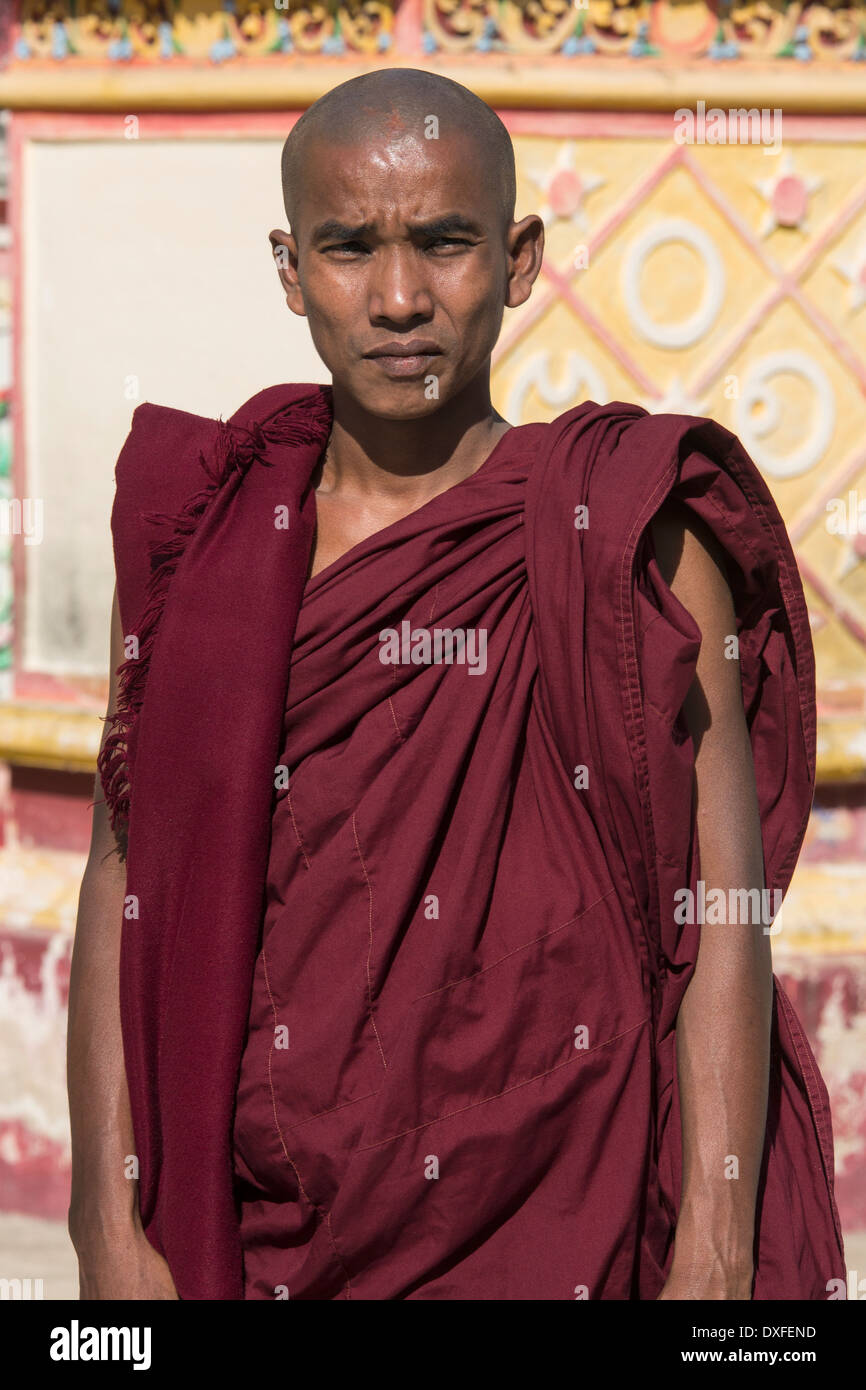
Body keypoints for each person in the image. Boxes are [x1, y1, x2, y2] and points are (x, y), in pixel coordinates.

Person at [68, 68, 845, 1301]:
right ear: (287, 270)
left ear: (518, 256)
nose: (395, 299)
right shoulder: (201, 543)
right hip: (273, 1219)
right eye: (346, 248)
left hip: (570, 1218)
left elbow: (724, 907)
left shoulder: (622, 533)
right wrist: (105, 1225)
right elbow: (124, 875)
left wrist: (714, 1242)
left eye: (442, 243)